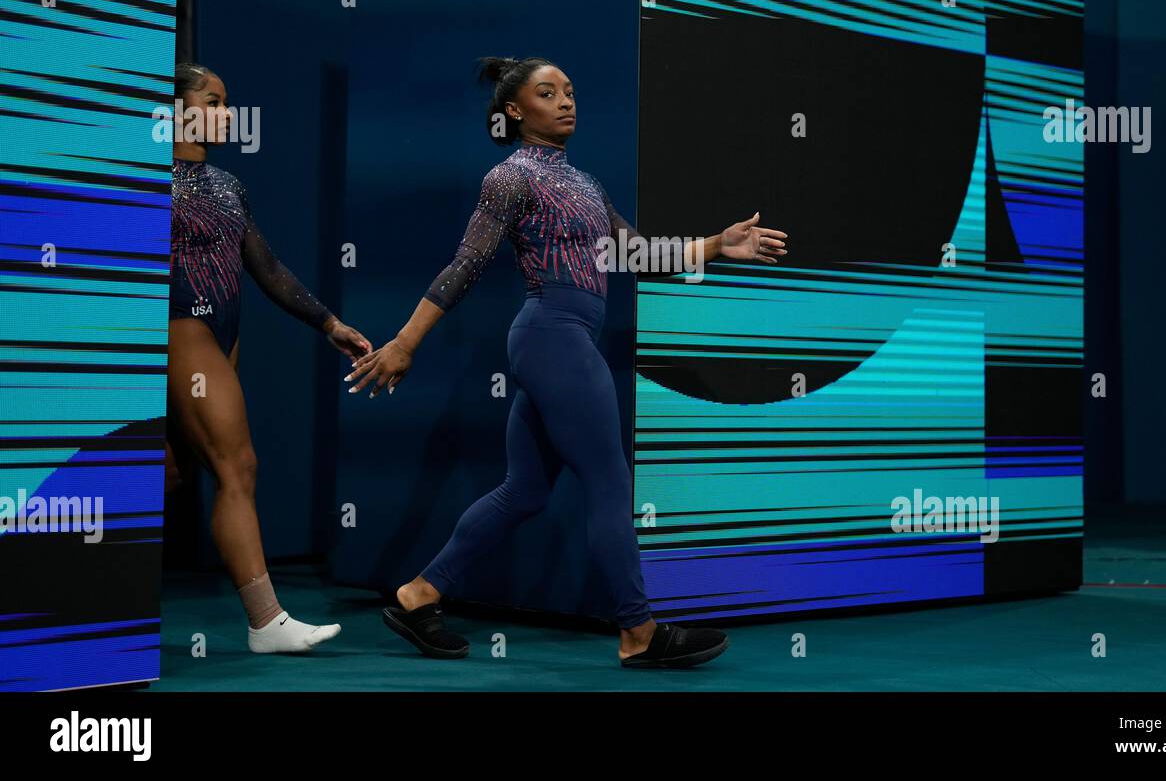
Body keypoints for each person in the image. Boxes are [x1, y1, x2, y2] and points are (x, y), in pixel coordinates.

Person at [346, 56, 789, 668]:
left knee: (525, 490)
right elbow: (464, 266)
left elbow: (634, 252)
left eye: (570, 91)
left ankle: (419, 594)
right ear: (514, 112)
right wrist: (405, 342)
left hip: (557, 341)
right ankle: (638, 631)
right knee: (609, 481)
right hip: (552, 335)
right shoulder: (509, 178)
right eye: (548, 93)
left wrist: (716, 245)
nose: (565, 102)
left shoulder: (582, 182)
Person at [167, 63, 371, 653]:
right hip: (180, 330)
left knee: (167, 475)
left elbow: (267, 267)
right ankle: (266, 620)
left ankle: (70, 596)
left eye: (229, 101)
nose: (228, 113)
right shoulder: (140, 180)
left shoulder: (229, 184)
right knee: (238, 467)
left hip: (222, 335)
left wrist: (327, 322)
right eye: (214, 100)